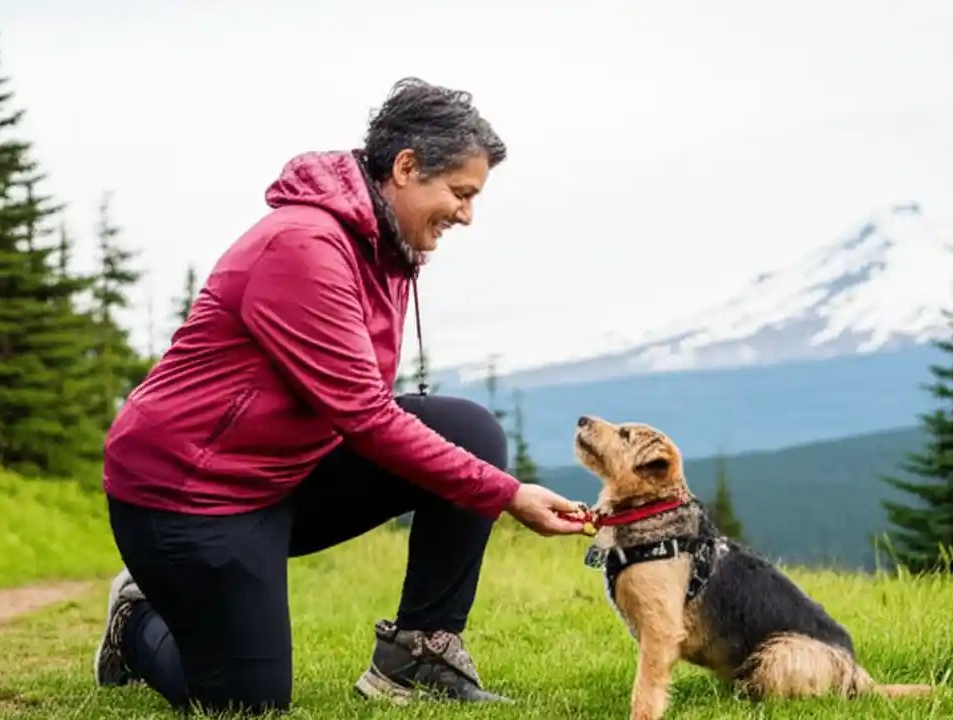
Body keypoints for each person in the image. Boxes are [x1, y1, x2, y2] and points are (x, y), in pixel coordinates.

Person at [90, 77, 588, 715]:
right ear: (406, 168)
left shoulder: (385, 247)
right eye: (461, 193)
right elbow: (365, 416)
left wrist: (488, 481)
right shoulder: (303, 246)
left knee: (471, 433)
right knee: (249, 704)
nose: (467, 214)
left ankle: (418, 651)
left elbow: (358, 407)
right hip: (191, 498)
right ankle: (135, 621)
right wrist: (509, 494)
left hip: (286, 472)